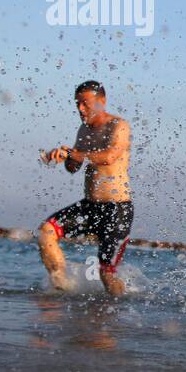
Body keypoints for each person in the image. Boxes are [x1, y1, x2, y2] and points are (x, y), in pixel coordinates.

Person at [37, 81, 134, 297]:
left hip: (117, 210)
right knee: (46, 232)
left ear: (101, 102)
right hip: (90, 207)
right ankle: (61, 290)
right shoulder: (83, 129)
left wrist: (73, 154)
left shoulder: (119, 126)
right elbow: (74, 167)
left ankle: (119, 308)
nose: (80, 109)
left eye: (85, 103)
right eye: (77, 104)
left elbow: (109, 157)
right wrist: (63, 156)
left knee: (106, 273)